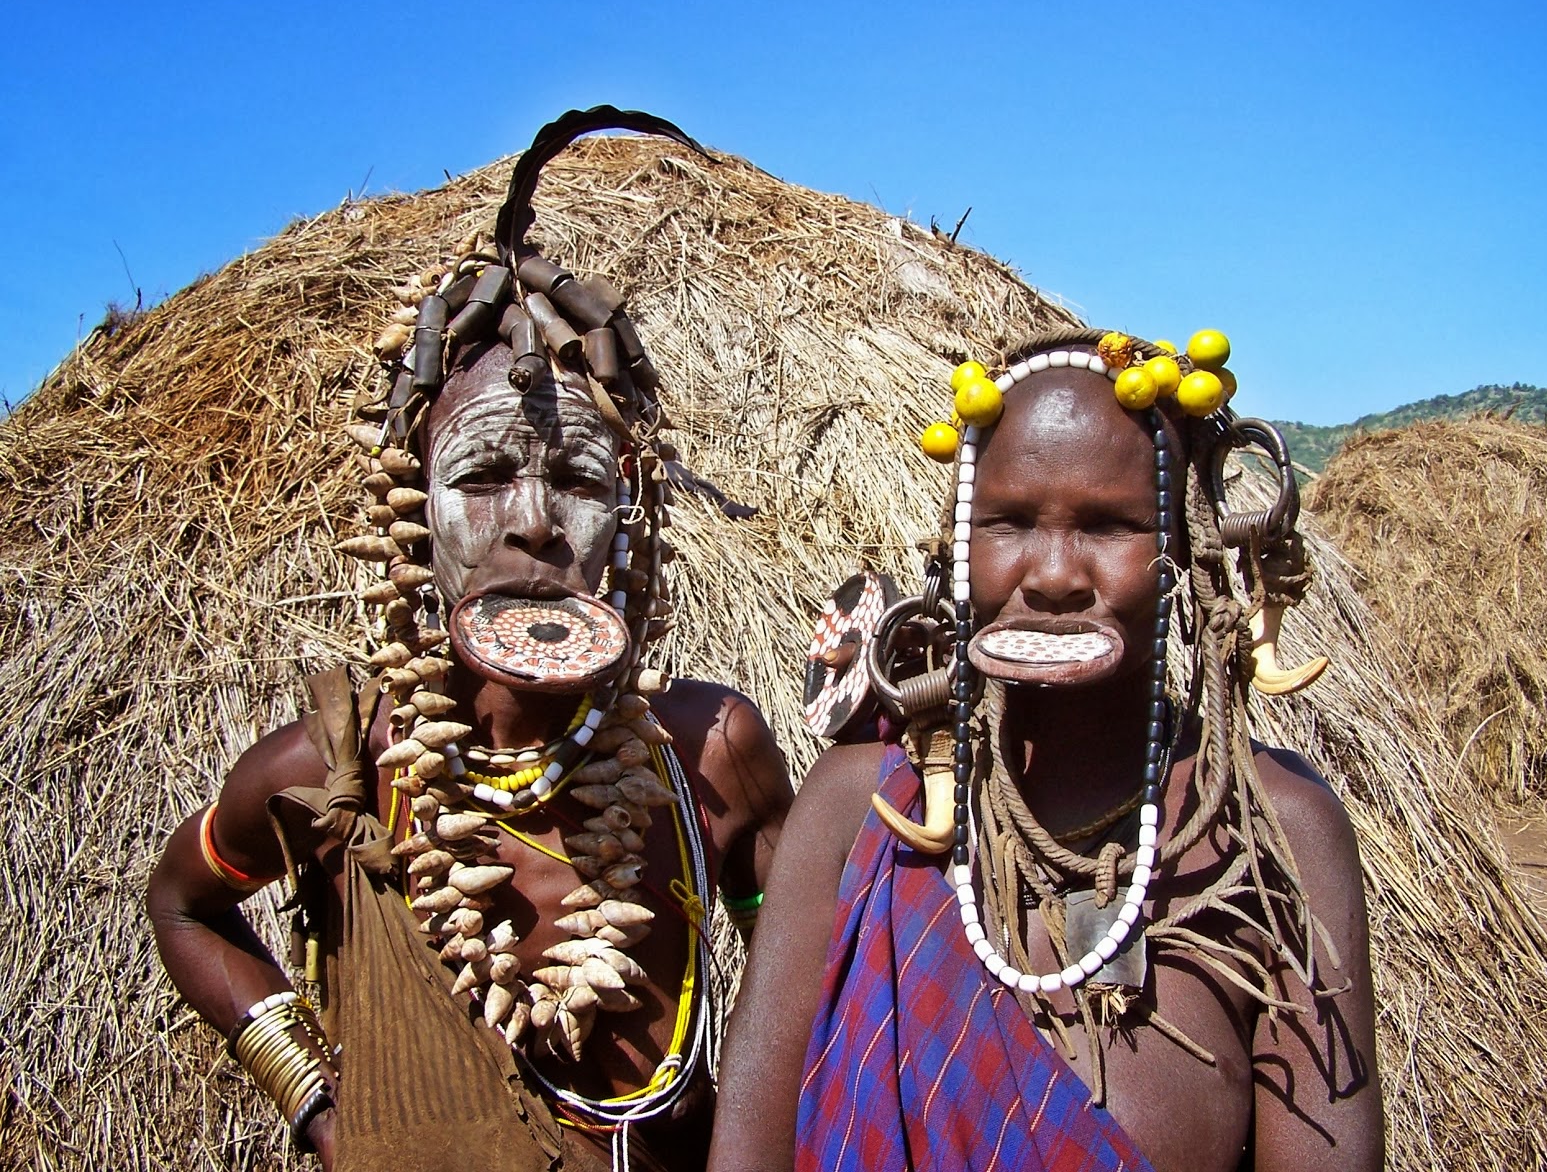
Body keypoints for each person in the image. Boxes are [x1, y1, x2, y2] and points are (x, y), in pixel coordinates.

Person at [146, 108, 791, 1172]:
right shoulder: (329, 780)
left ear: (627, 517)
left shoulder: (711, 754)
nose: (532, 521)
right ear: (417, 517)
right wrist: (321, 1107)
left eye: (578, 480)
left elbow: (801, 968)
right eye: (484, 477)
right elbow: (183, 905)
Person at [710, 327, 1382, 1172]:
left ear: (1183, 543)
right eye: (1010, 522)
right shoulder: (859, 806)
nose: (1054, 573)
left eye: (1109, 526)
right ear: (961, 544)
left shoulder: (1271, 829)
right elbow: (747, 1151)